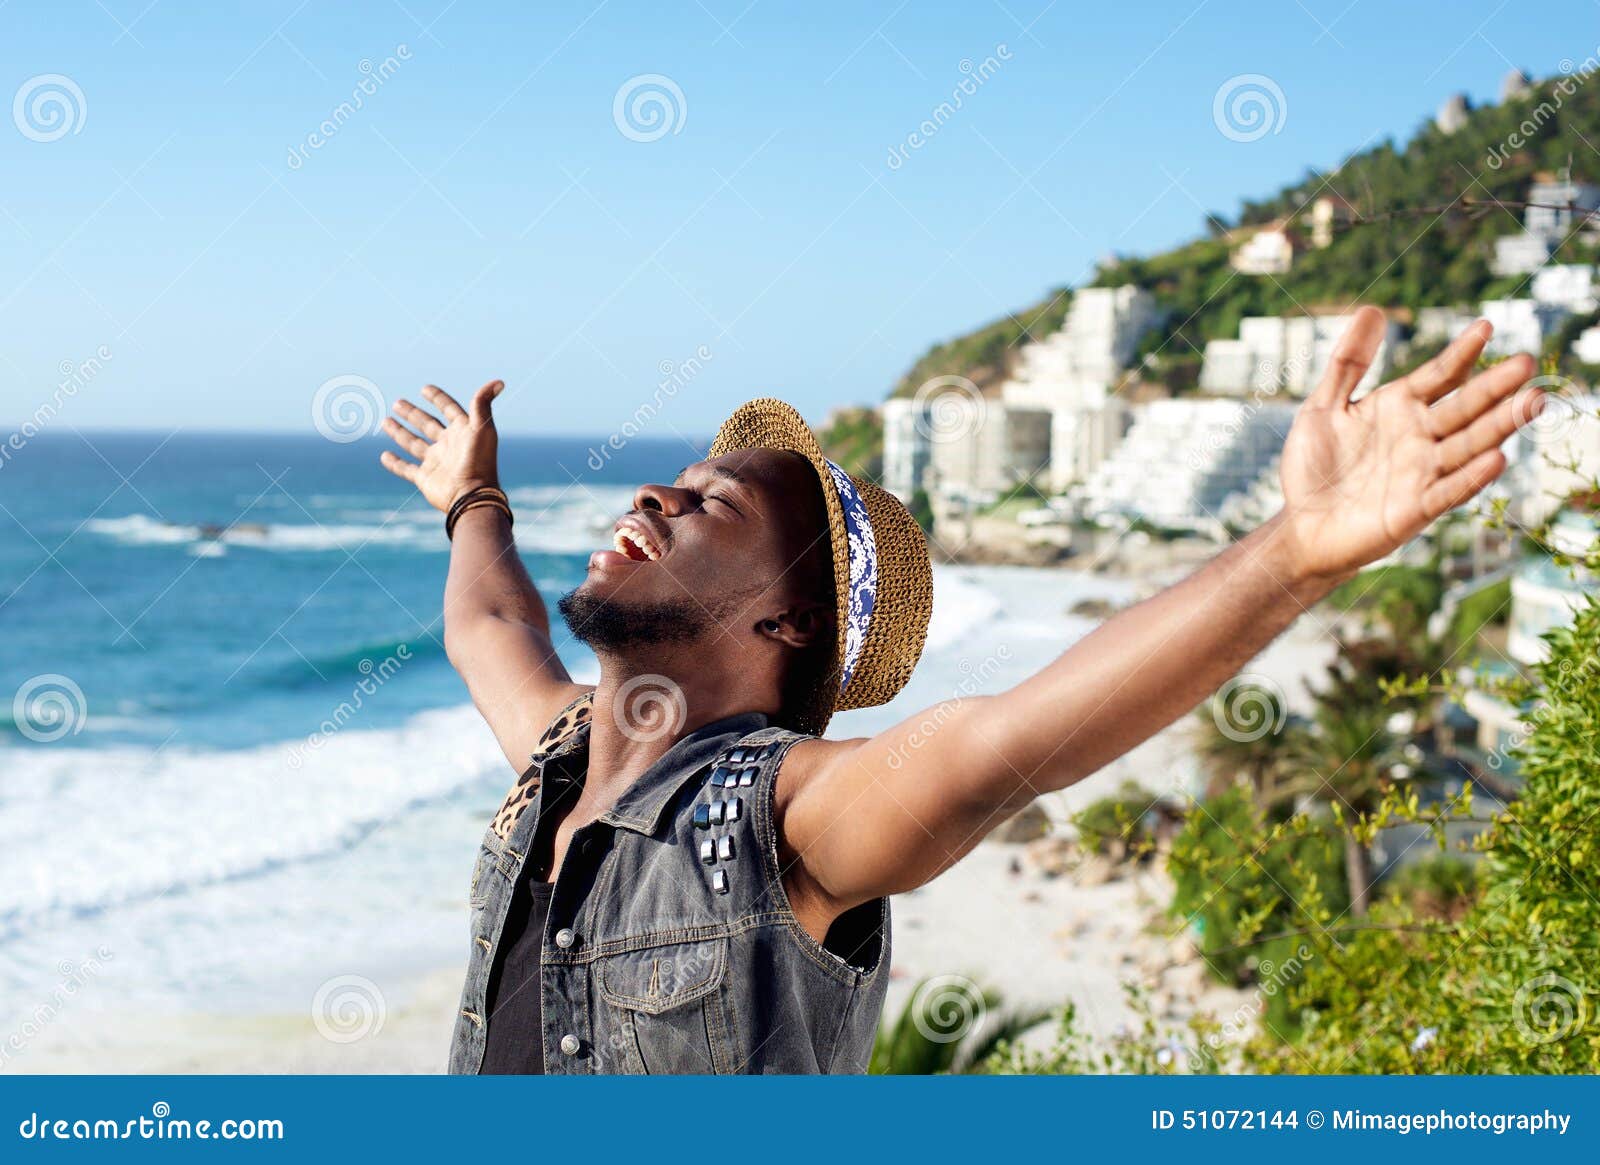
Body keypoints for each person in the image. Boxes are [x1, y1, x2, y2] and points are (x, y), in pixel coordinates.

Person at [378, 308, 1541, 1074]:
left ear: (782, 618)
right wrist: (471, 498)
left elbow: (1014, 739)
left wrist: (1295, 552)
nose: (657, 495)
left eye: (713, 504)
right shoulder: (563, 755)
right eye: (679, 481)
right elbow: (491, 623)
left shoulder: (790, 815)